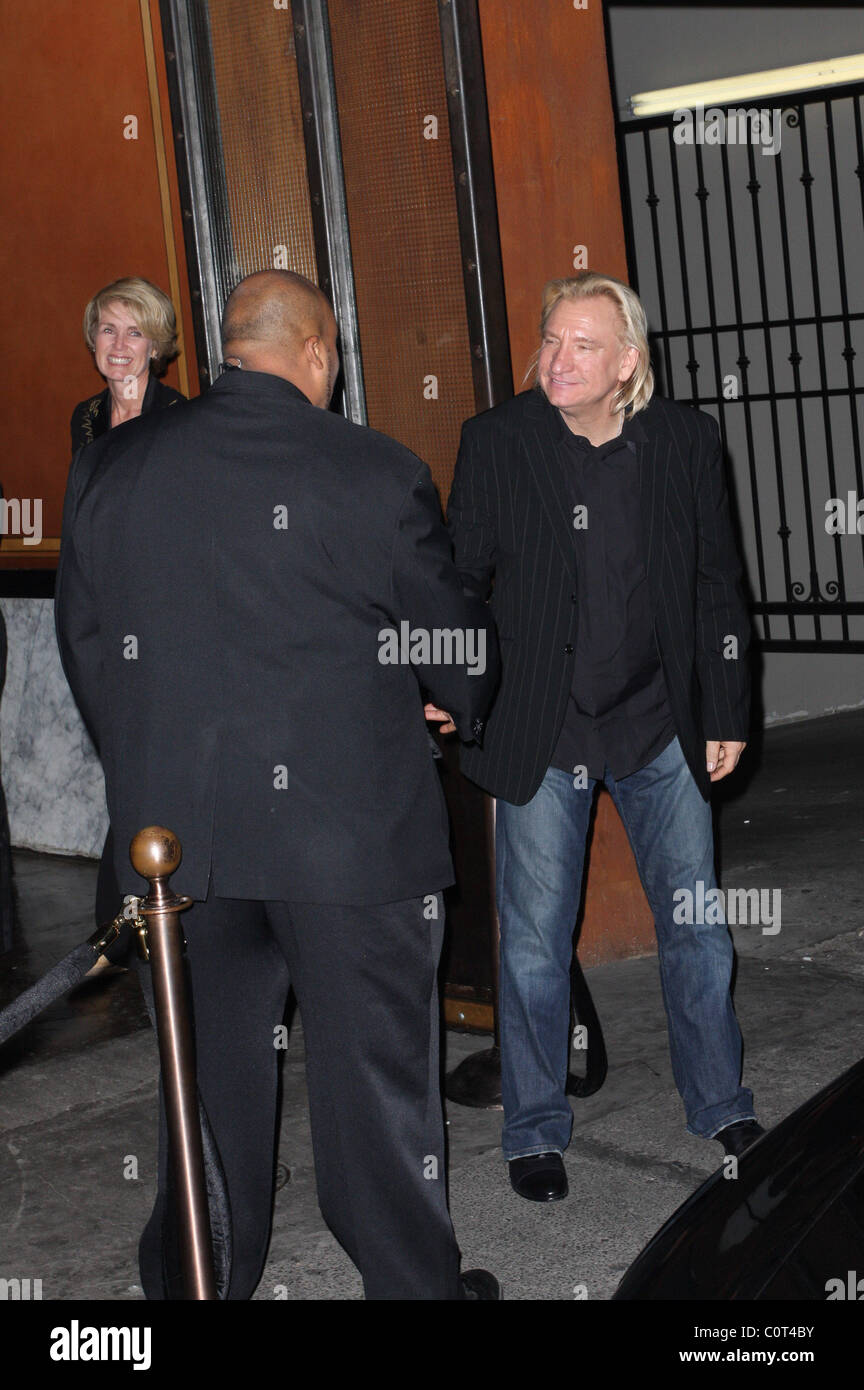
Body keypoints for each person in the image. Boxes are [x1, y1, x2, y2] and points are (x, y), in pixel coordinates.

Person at [55, 269, 501, 1300]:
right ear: (319, 353)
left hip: (182, 856)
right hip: (351, 849)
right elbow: (457, 651)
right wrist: (451, 696)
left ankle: (194, 1288)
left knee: (204, 1098)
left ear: (222, 349)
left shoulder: (112, 470)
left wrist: (150, 760)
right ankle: (410, 1288)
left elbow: (88, 649)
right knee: (375, 1093)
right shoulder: (376, 470)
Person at [443, 270, 763, 1204]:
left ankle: (720, 1101)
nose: (558, 361)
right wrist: (452, 683)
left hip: (659, 722)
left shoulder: (685, 442)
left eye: (583, 345)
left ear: (629, 363)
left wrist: (729, 712)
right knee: (535, 944)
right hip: (542, 728)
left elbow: (716, 585)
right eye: (550, 340)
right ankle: (534, 1127)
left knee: (696, 929)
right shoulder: (497, 442)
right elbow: (462, 579)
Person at [69, 276, 185, 946]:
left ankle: (148, 906)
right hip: (103, 623)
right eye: (107, 329)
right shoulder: (84, 419)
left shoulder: (181, 418)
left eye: (134, 331)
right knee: (123, 758)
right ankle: (134, 907)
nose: (118, 345)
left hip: (166, 622)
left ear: (156, 344)